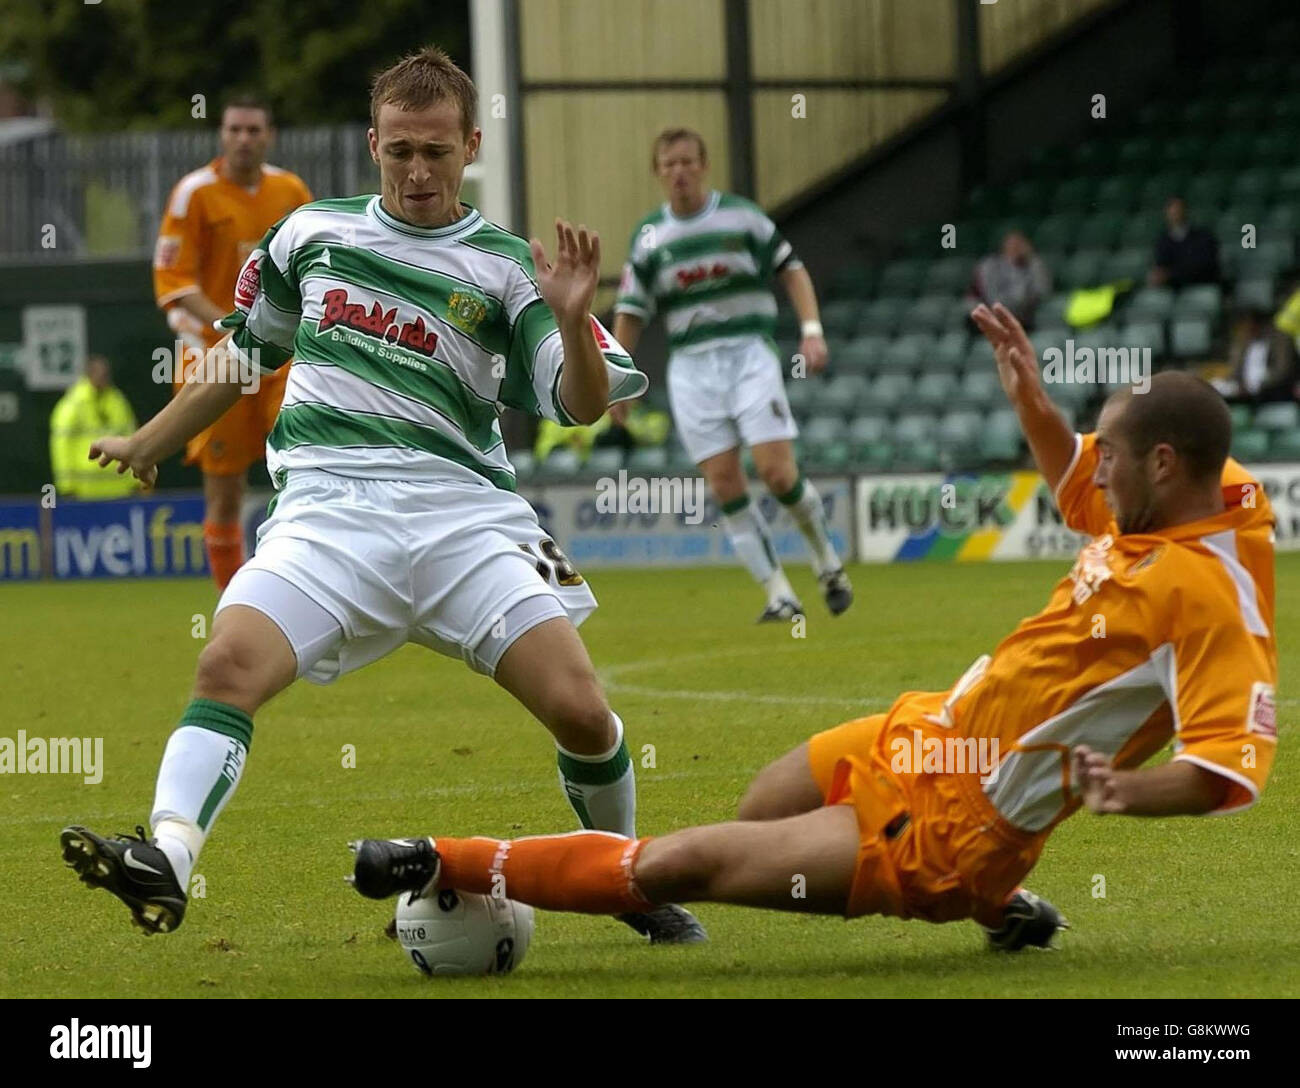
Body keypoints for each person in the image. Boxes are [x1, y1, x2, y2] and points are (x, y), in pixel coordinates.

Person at [347, 302, 1277, 951]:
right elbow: (1071, 475)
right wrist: (1031, 394)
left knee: (684, 861)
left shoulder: (1211, 593)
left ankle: (437, 857)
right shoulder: (1185, 496)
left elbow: (1223, 768)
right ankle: (1000, 905)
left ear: (1163, 462)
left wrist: (1126, 790)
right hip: (921, 734)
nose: (1095, 472)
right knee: (760, 806)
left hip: (952, 827)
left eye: (1109, 455)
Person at [60, 45, 705, 946]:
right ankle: (168, 856)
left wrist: (569, 319)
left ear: (471, 145)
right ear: (372, 143)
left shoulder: (510, 266)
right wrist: (148, 439)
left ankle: (626, 878)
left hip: (468, 519)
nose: (417, 172)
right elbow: (246, 352)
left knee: (583, 711)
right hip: (328, 513)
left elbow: (583, 405)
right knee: (225, 668)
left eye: (436, 152)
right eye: (400, 150)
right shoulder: (309, 234)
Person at [610, 128, 851, 623]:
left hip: (749, 356)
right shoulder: (650, 237)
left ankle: (827, 563)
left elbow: (793, 269)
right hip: (692, 368)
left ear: (704, 166)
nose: (678, 172)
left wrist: (811, 329)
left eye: (686, 162)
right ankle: (778, 592)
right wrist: (619, 377)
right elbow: (632, 311)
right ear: (657, 174)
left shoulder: (743, 217)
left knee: (776, 471)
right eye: (668, 164)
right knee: (724, 484)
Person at [153, 93, 313, 590]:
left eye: (254, 130)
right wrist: (235, 324)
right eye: (235, 130)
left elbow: (313, 267)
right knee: (224, 490)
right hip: (213, 355)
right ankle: (232, 600)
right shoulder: (194, 193)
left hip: (281, 354)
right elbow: (174, 281)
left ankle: (305, 583)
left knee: (304, 465)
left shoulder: (291, 191)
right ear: (221, 136)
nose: (244, 139)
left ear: (270, 136)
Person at [48, 355, 138, 500]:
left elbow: (132, 439)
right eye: (99, 373)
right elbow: (61, 446)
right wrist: (66, 486)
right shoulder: (73, 404)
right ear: (88, 374)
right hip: (84, 492)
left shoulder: (118, 401)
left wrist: (135, 481)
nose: (104, 377)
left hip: (119, 490)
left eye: (106, 373)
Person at [969, 230, 1052, 328]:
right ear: (1004, 246)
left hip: (1026, 315)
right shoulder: (990, 265)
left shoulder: (1035, 265)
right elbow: (992, 296)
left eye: (1019, 244)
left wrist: (1026, 265)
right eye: (1012, 244)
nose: (1016, 248)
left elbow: (1042, 291)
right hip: (995, 312)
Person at [1216, 306, 1297, 404]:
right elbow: (1234, 370)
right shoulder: (1243, 343)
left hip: (1272, 393)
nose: (1246, 330)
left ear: (1259, 325)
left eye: (1249, 326)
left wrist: (1257, 385)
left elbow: (1281, 371)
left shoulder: (1280, 341)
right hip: (1243, 393)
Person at [1149, 196, 1219, 288]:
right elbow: (1161, 265)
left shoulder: (1203, 237)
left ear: (1186, 211)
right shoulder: (1163, 240)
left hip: (1200, 285)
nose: (1175, 213)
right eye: (1172, 211)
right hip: (1172, 288)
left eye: (1178, 210)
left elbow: (1206, 266)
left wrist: (1171, 274)